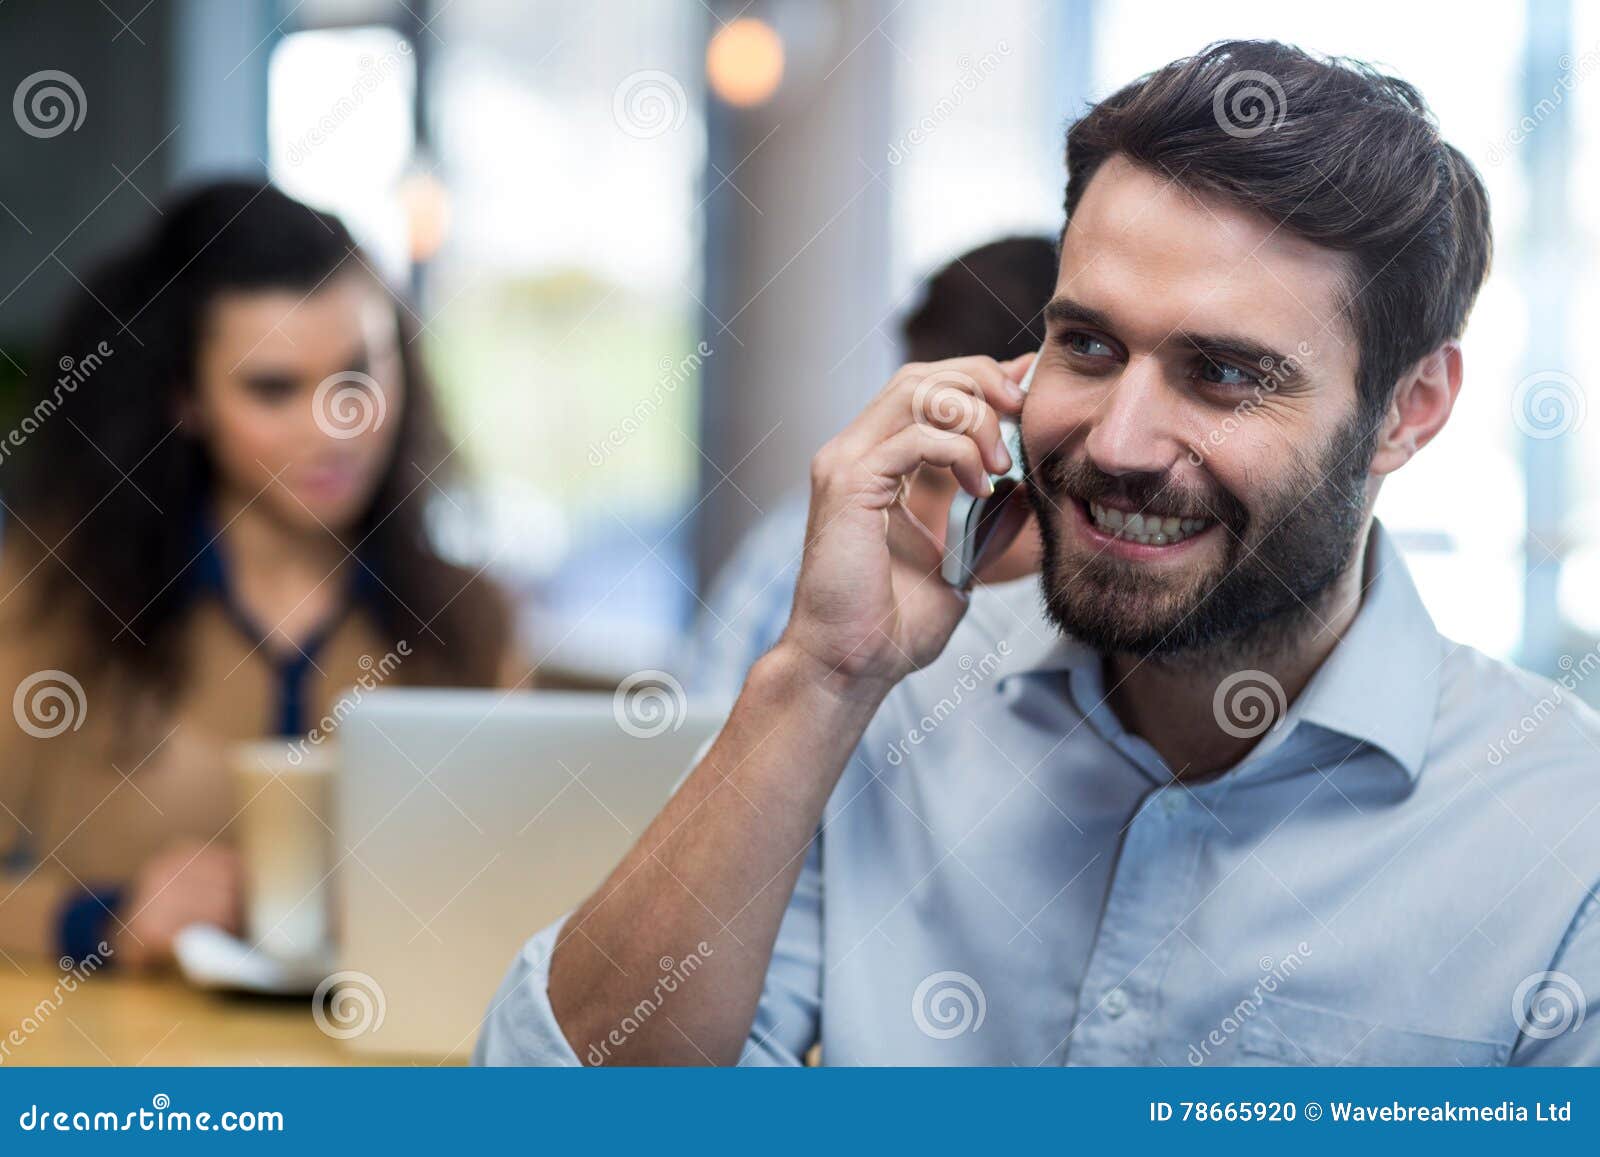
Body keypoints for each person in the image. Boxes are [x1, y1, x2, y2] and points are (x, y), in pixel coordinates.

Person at [477, 41, 1600, 1067]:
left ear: (1409, 409)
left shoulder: (1563, 841)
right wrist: (818, 678)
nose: (1116, 442)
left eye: (1224, 374)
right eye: (1089, 345)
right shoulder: (889, 711)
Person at [0, 181, 523, 971]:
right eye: (273, 387)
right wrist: (97, 920)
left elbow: (538, 898)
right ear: (187, 400)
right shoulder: (49, 598)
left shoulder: (472, 619)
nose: (336, 426)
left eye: (359, 373)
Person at [688, 236, 1055, 696]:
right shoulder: (804, 541)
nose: (933, 531)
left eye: (981, 488)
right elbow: (703, 733)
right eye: (924, 470)